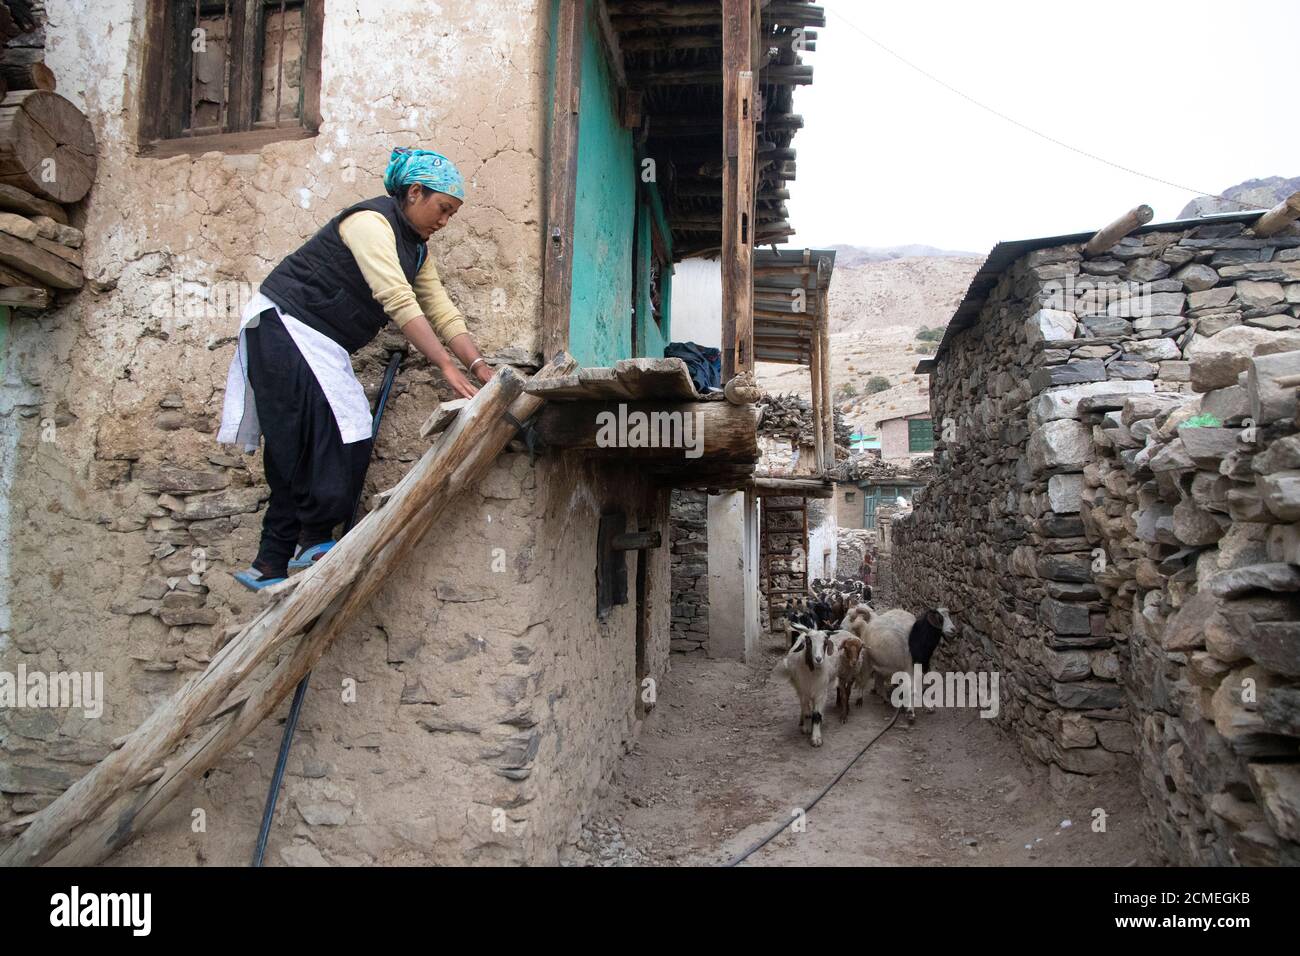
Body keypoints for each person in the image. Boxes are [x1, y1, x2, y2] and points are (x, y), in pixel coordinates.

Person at [217, 146, 493, 590]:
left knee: (334, 435)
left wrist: (479, 367)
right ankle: (294, 548)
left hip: (321, 343)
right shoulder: (369, 222)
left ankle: (282, 556)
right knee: (311, 439)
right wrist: (443, 364)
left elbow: (441, 311)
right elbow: (397, 300)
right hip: (283, 324)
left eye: (452, 215)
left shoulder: (417, 251)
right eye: (442, 209)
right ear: (415, 192)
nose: (444, 222)